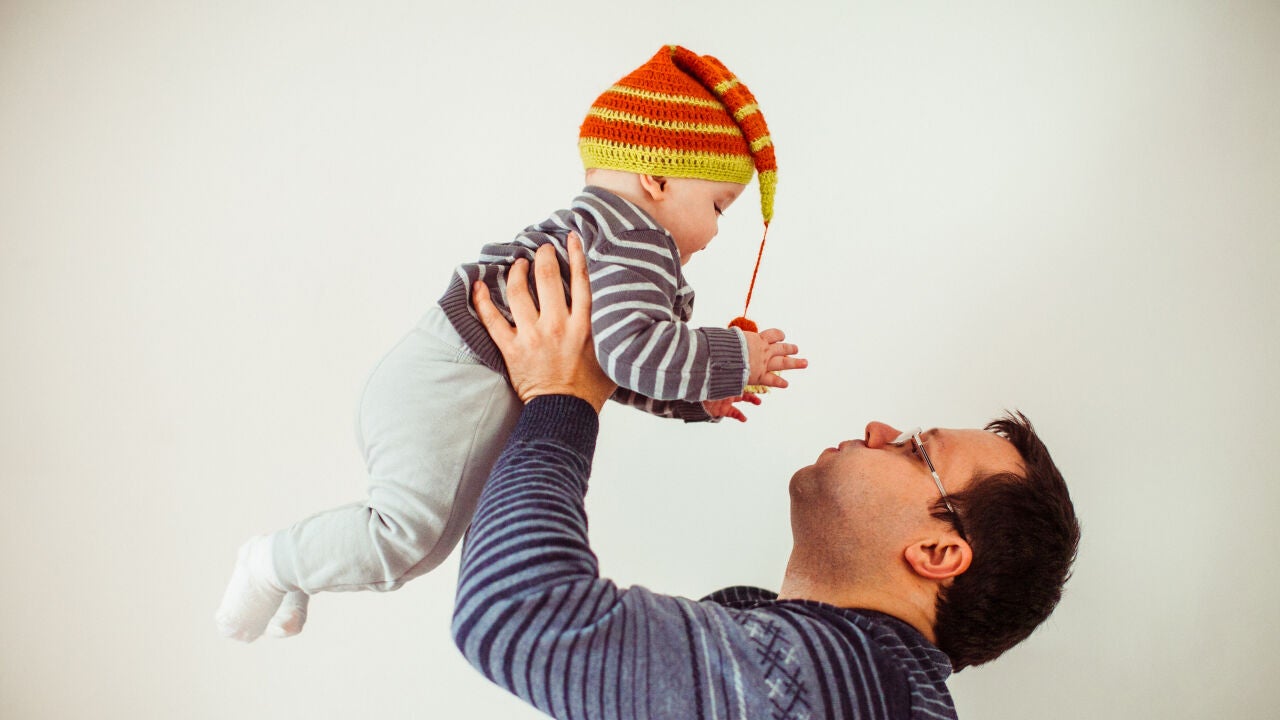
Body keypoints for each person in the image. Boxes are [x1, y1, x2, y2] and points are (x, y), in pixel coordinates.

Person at [216, 45, 804, 642]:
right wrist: (736, 358)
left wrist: (691, 400)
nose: (714, 231)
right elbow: (635, 352)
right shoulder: (638, 239)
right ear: (656, 179)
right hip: (454, 385)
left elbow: (604, 358)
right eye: (717, 207)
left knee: (413, 540)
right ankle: (269, 564)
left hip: (433, 376)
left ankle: (297, 570)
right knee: (403, 544)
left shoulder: (603, 229)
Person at [453, 238, 1080, 719]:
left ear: (938, 552)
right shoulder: (843, 679)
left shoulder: (848, 681)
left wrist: (560, 398)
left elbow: (516, 613)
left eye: (917, 450)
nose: (880, 429)